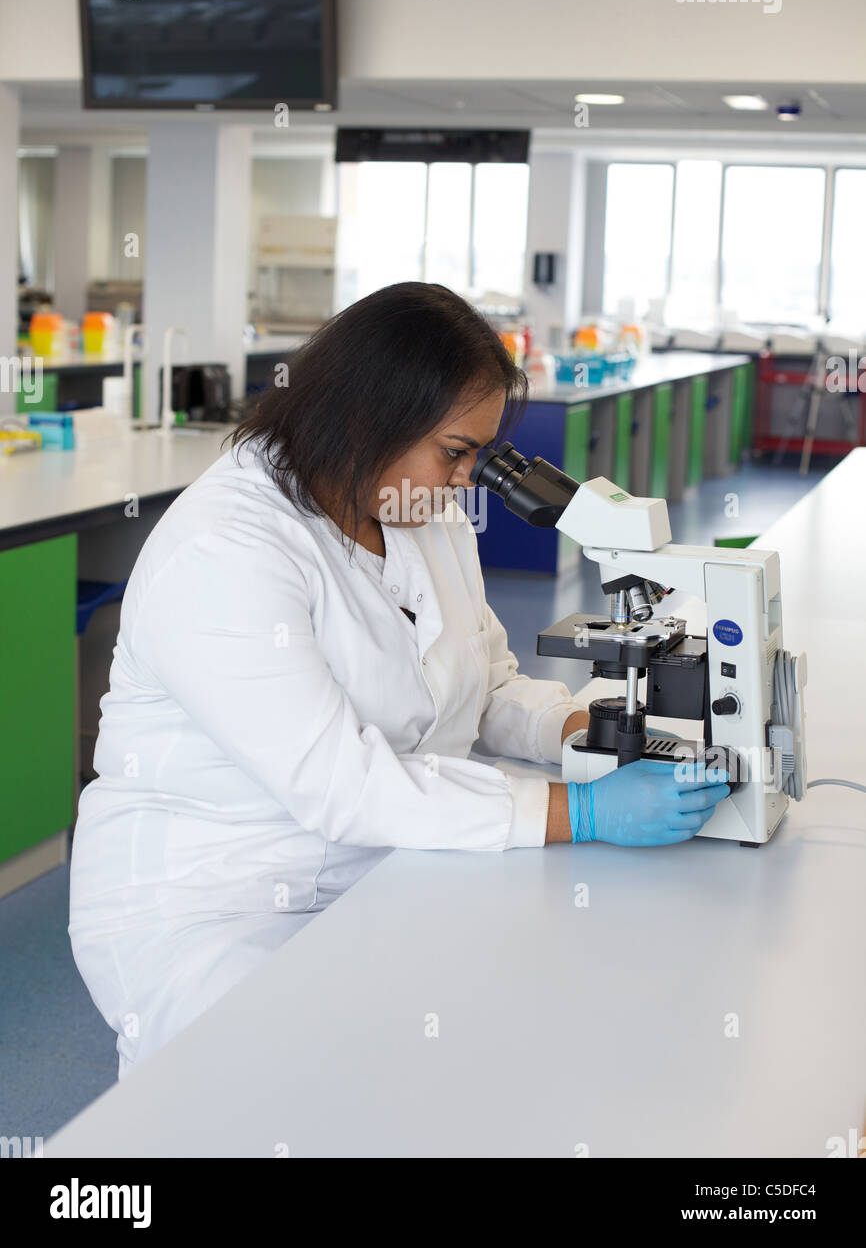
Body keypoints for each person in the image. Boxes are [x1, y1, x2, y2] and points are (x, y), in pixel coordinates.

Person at [68, 282, 728, 1079]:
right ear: (365, 417)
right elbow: (339, 786)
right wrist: (579, 810)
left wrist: (582, 733)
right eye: (456, 451)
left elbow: (483, 684)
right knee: (276, 1090)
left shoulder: (421, 504)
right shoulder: (226, 548)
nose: (466, 478)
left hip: (387, 860)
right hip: (215, 899)